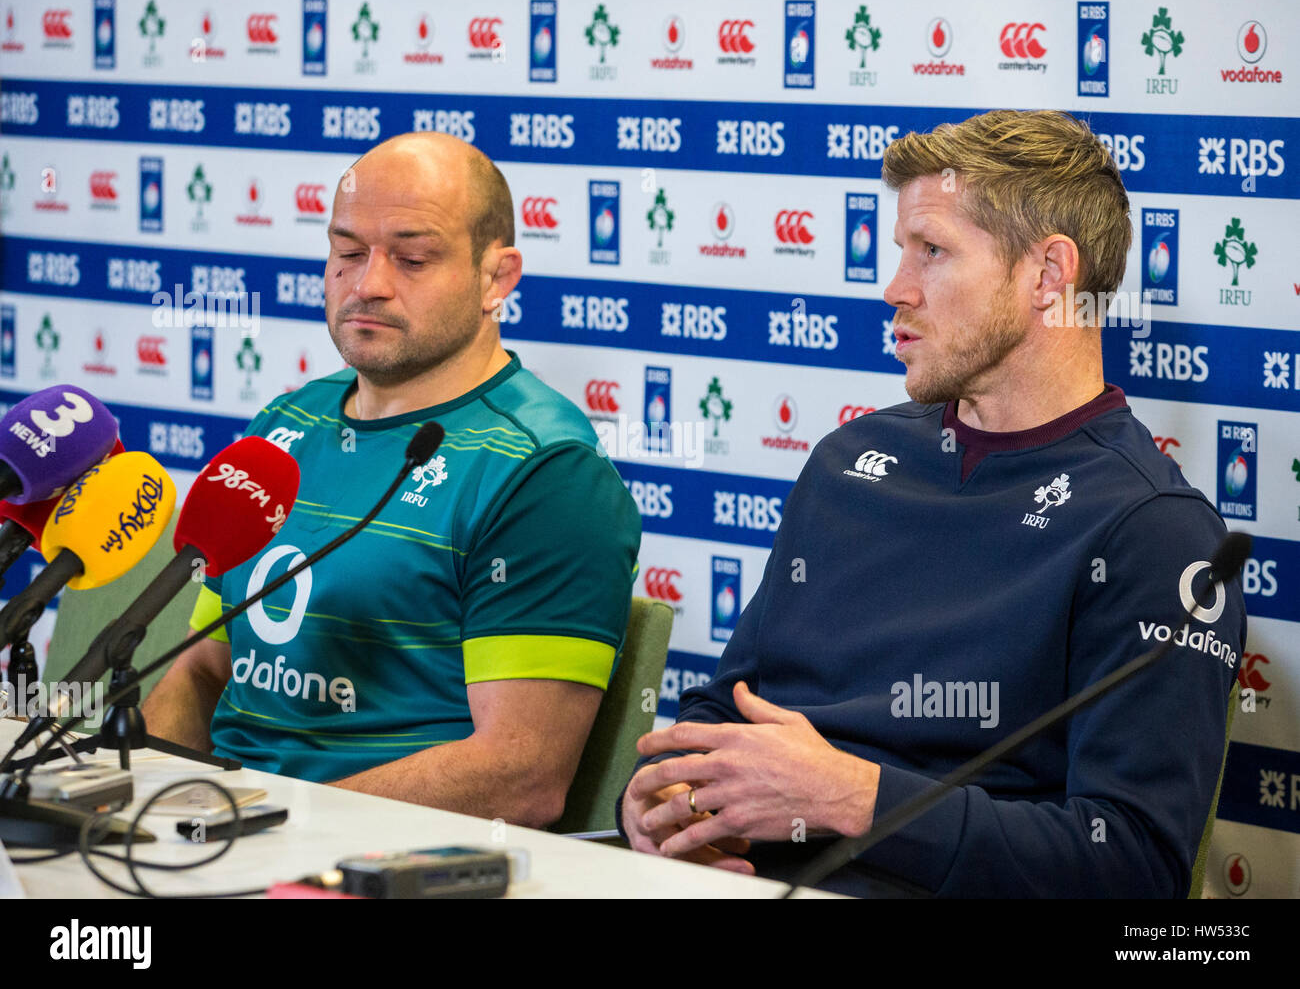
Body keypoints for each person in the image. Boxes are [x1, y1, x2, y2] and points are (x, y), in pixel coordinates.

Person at [618, 110, 1246, 896]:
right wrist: (663, 798)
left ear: (1049, 275)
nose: (895, 289)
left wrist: (854, 797)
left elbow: (1131, 865)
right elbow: (726, 704)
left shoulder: (1152, 532)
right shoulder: (850, 462)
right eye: (901, 252)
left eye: (933, 252)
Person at [143, 133, 640, 829]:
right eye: (347, 252)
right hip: (220, 832)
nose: (368, 283)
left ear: (497, 278)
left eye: (412, 258)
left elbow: (519, 776)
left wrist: (272, 826)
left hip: (374, 858)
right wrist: (150, 812)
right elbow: (198, 672)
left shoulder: (546, 472)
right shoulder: (282, 425)